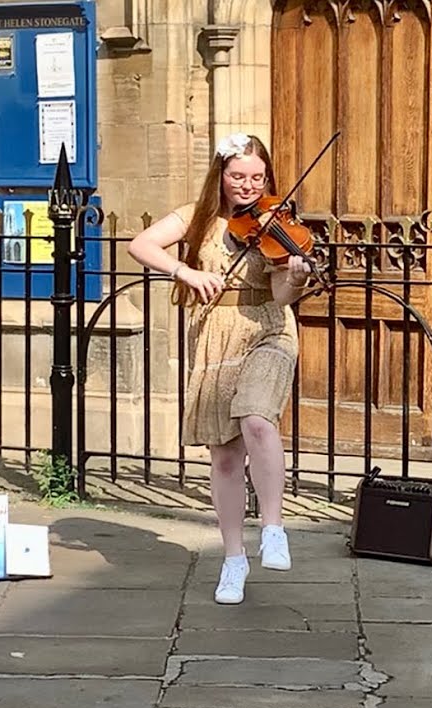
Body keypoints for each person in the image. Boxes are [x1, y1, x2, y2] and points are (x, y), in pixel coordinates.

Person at [127, 132, 313, 604]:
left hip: (268, 327)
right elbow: (141, 244)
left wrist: (295, 279)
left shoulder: (275, 222)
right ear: (221, 175)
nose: (248, 186)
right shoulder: (197, 217)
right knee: (226, 455)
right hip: (215, 333)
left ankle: (273, 528)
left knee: (257, 418)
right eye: (238, 176)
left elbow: (281, 297)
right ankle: (234, 559)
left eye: (257, 177)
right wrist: (185, 272)